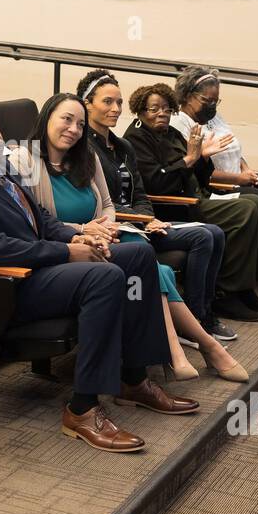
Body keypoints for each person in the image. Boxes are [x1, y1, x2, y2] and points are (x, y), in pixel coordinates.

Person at [0, 97, 199, 453]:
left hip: (39, 271)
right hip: (5, 288)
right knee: (103, 278)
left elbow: (43, 221)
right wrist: (66, 252)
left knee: (137, 254)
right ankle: (82, 410)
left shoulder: (3, 171)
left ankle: (133, 379)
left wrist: (77, 237)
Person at [9, 93, 246, 383]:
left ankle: (190, 348)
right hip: (71, 245)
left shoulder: (86, 156)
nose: (73, 129)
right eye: (66, 119)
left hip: (108, 235)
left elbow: (107, 203)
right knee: (157, 270)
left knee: (146, 258)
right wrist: (84, 230)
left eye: (80, 125)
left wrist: (106, 226)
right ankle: (194, 347)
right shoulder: (23, 161)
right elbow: (37, 221)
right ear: (46, 118)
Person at [77, 69, 236, 344]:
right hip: (119, 226)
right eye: (107, 102)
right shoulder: (84, 148)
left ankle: (205, 315)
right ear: (87, 104)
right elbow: (101, 202)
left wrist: (148, 217)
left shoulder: (122, 145)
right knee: (202, 237)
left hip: (140, 222)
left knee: (214, 233)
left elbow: (140, 191)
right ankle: (194, 321)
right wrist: (141, 219)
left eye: (118, 102)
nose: (115, 109)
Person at [123, 83, 258, 322]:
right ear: (140, 111)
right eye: (154, 109)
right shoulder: (136, 139)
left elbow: (202, 175)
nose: (161, 113)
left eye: (166, 108)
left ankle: (245, 288)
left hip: (198, 195)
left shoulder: (170, 133)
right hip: (179, 205)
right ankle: (228, 292)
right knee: (247, 209)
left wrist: (202, 156)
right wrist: (190, 158)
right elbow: (156, 183)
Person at [171, 66, 258, 286]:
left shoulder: (214, 118)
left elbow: (233, 148)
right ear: (189, 96)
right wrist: (240, 179)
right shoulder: (180, 124)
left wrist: (246, 169)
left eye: (216, 101)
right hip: (215, 187)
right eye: (207, 100)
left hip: (237, 178)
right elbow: (199, 172)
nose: (212, 106)